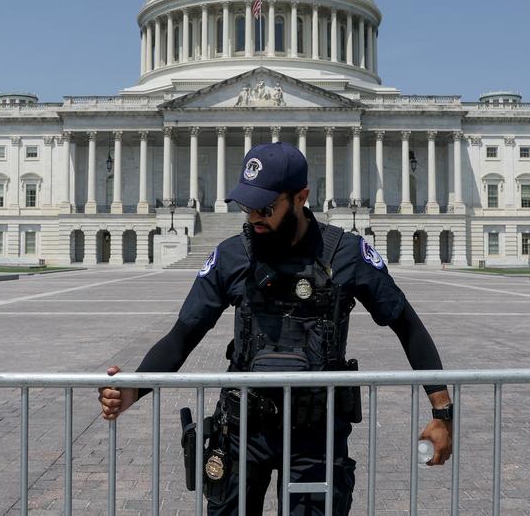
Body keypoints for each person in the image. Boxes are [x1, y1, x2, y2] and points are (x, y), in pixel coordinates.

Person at [99, 143, 453, 515]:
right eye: (247, 205)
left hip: (316, 433)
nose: (254, 217)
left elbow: (407, 325)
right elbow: (183, 335)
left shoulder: (345, 254)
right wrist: (133, 389)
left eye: (265, 207)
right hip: (243, 428)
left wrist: (442, 413)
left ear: (301, 197)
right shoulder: (233, 256)